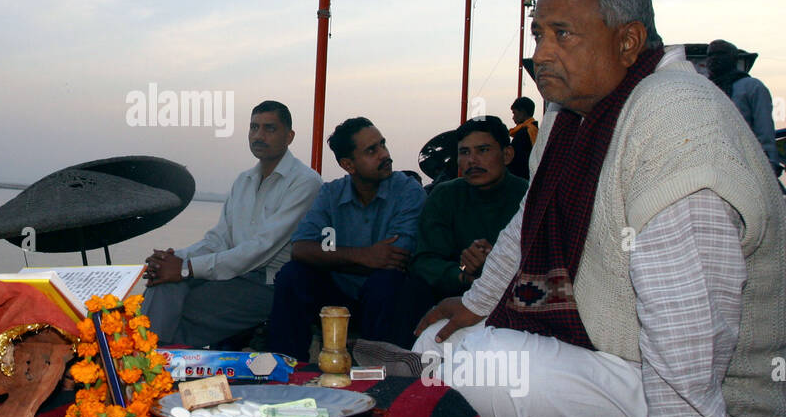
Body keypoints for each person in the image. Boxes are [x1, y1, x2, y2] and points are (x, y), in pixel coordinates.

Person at [414, 0, 786, 417]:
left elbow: (689, 300)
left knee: (463, 370)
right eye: (539, 34)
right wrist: (474, 303)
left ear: (627, 41)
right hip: (623, 357)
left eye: (562, 35)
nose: (541, 53)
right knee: (437, 344)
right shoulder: (575, 116)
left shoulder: (675, 115)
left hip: (715, 396)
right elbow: (526, 224)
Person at [141, 101, 321, 347]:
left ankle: (144, 366)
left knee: (179, 316)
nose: (259, 135)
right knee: (163, 284)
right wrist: (172, 259)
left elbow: (261, 248)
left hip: (267, 282)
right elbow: (218, 240)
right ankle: (143, 361)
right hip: (229, 274)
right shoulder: (243, 180)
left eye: (269, 128)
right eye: (254, 127)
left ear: (289, 136)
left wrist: (185, 268)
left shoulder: (305, 182)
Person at [354, 116, 526, 364]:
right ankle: (394, 370)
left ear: (507, 155)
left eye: (483, 150)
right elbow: (424, 261)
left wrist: (495, 264)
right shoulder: (445, 195)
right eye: (464, 152)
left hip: (508, 296)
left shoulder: (527, 197)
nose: (472, 160)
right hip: (449, 289)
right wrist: (463, 272)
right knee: (404, 286)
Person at [267, 117, 426, 361]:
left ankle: (381, 375)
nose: (384, 154)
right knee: (293, 275)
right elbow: (300, 248)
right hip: (339, 294)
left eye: (382, 144)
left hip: (388, 299)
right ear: (348, 165)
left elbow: (395, 257)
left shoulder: (407, 191)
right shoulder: (331, 194)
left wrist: (332, 257)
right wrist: (364, 256)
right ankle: (286, 368)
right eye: (372, 150)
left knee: (387, 282)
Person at [705, 39, 782, 175]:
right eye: (710, 55)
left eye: (720, 53)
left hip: (746, 162)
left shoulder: (751, 86)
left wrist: (770, 163)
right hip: (712, 164)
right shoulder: (703, 89)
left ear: (733, 58)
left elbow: (764, 127)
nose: (714, 58)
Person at [507, 96, 539, 180]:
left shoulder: (523, 133)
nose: (513, 117)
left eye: (514, 113)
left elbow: (516, 160)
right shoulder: (535, 130)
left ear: (522, 112)